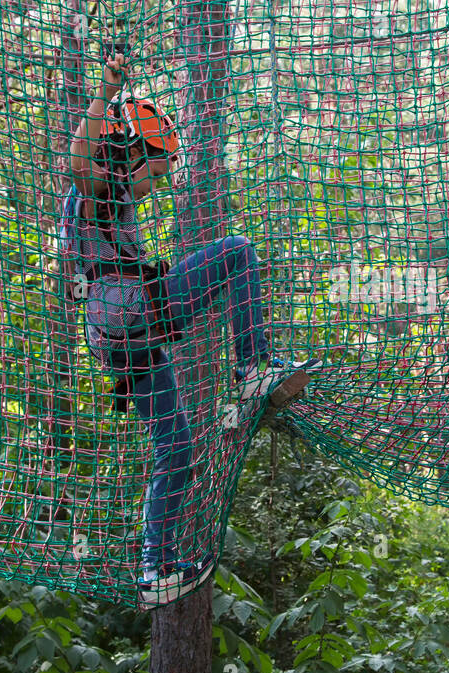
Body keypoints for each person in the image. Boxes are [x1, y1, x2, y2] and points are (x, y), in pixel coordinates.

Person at [60, 52, 317, 607]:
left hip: (124, 339)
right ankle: (253, 369)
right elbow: (78, 162)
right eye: (158, 168)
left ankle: (155, 571)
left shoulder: (115, 197)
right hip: (132, 312)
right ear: (131, 153)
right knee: (237, 253)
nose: (162, 181)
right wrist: (106, 89)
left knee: (175, 446)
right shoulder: (101, 191)